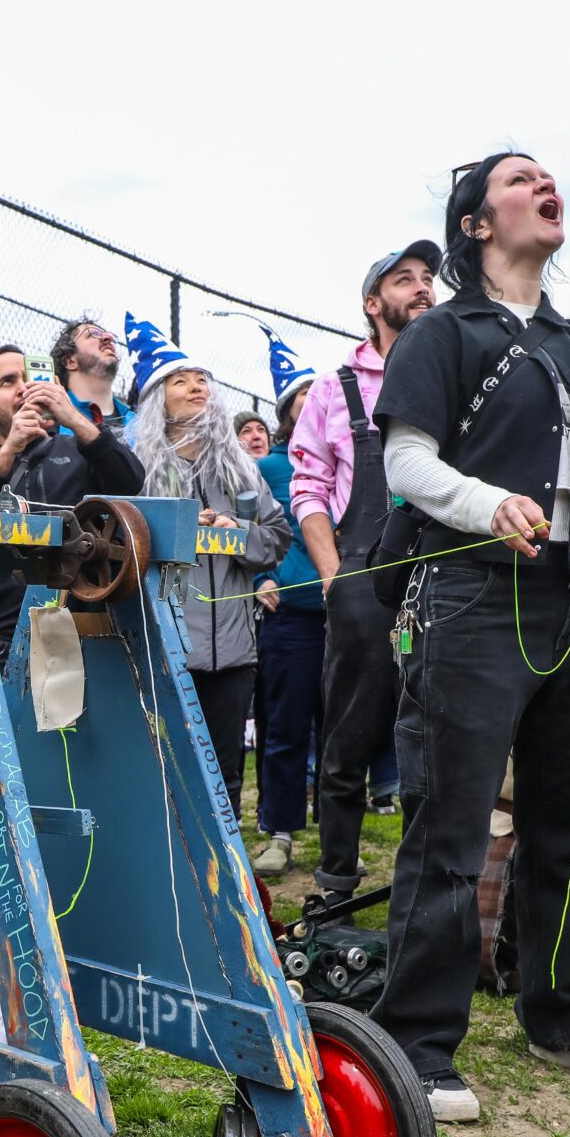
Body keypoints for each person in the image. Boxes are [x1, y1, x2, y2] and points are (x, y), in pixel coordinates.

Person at [370, 152, 570, 1120]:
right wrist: (490, 504)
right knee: (449, 828)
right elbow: (407, 466)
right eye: (518, 177)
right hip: (474, 596)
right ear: (475, 225)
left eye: (548, 176)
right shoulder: (440, 332)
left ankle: (560, 1011)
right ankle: (417, 1038)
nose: (545, 185)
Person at [289, 240, 441, 902]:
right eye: (404, 279)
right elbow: (308, 486)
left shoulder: (452, 377)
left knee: (435, 738)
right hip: (361, 578)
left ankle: (427, 885)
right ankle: (336, 880)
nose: (422, 287)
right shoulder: (336, 387)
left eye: (428, 278)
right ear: (373, 304)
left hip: (445, 579)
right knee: (350, 733)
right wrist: (331, 573)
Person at [128, 319, 291, 818]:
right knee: (166, 773)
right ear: (159, 399)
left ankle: (228, 885)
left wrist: (231, 533)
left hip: (235, 655)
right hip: (166, 652)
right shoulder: (138, 467)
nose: (196, 386)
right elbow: (124, 545)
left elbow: (277, 539)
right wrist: (177, 530)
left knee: (225, 775)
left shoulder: (242, 467)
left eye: (202, 379)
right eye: (180, 380)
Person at [0, 344, 144, 653]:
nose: (25, 388)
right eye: (8, 381)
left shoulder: (80, 451)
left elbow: (131, 481)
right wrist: (10, 449)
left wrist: (75, 419)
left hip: (81, 636)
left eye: (29, 377)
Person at [250, 374, 325, 874]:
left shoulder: (352, 458)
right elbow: (250, 524)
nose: (314, 397)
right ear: (286, 408)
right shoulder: (266, 467)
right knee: (285, 727)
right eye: (303, 392)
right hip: (291, 617)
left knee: (348, 730)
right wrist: (259, 575)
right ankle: (279, 832)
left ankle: (342, 844)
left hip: (352, 610)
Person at [49, 317, 135, 437]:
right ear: (70, 361)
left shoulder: (140, 425)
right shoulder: (49, 419)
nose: (108, 338)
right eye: (92, 334)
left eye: (107, 335)